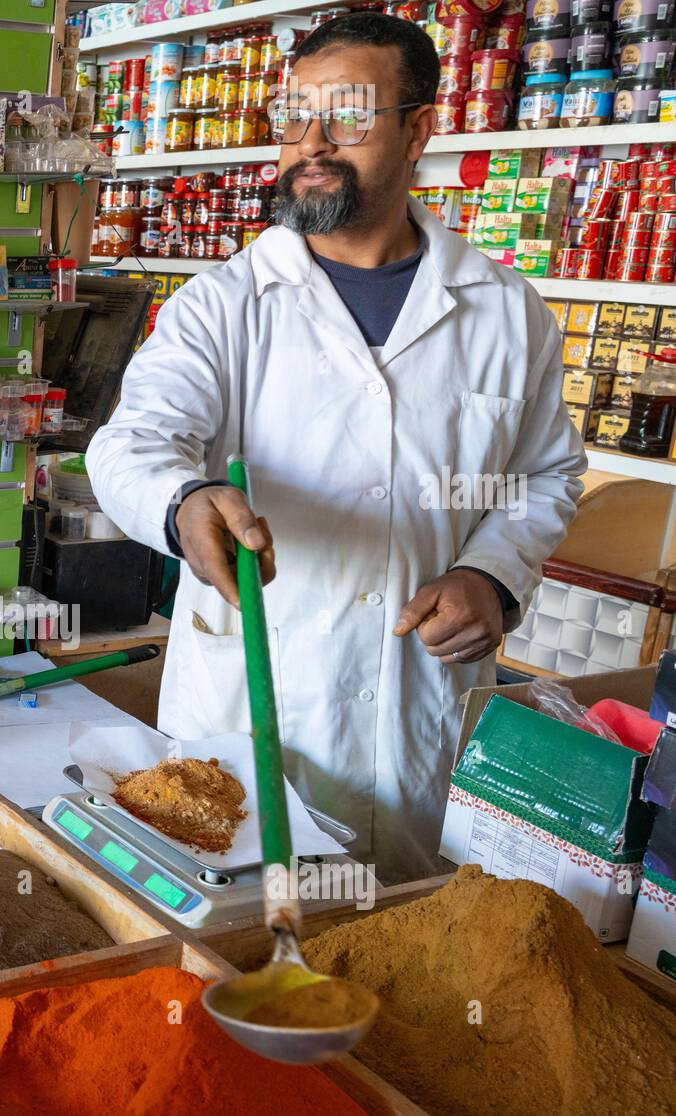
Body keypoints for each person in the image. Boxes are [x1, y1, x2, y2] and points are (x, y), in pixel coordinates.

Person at [85, 13, 585, 883]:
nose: (310, 144)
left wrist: (493, 578)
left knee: (404, 974)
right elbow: (130, 445)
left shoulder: (507, 312)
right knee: (237, 967)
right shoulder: (226, 304)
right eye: (294, 116)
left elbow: (543, 476)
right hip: (245, 730)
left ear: (420, 127)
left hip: (415, 722)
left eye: (347, 116)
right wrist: (184, 501)